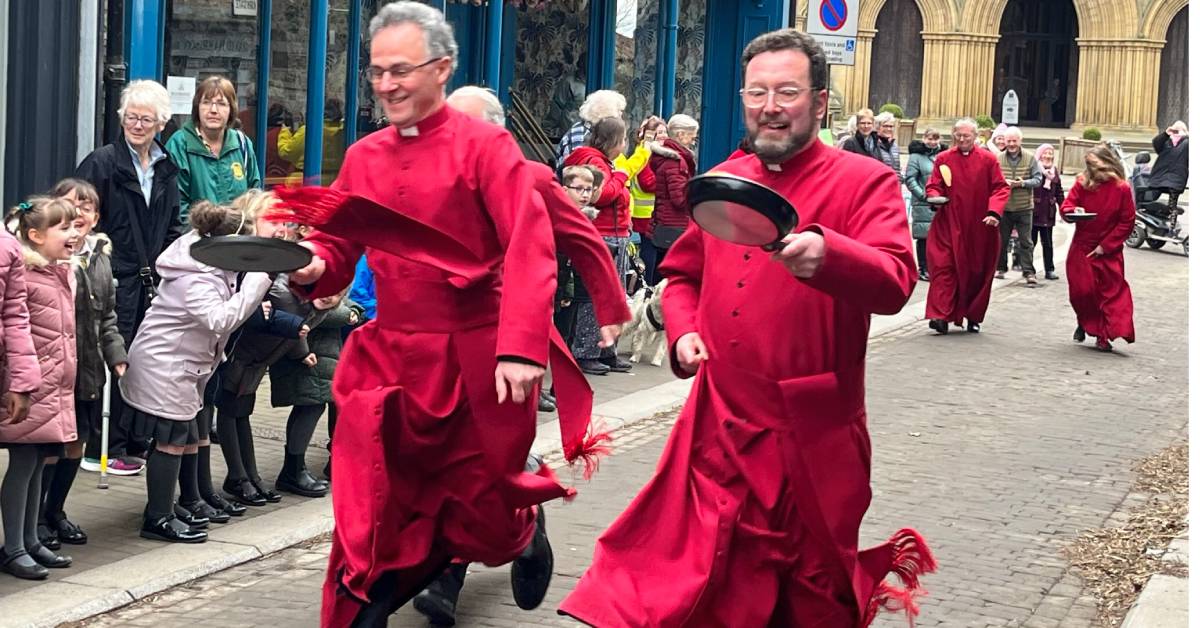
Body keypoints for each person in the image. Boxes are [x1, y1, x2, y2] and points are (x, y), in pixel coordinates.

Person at [559, 29, 934, 628]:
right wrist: (682, 332)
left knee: (809, 598)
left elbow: (895, 281)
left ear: (819, 101)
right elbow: (681, 278)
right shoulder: (725, 178)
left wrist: (830, 255)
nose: (771, 105)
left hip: (813, 433)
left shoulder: (865, 182)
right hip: (719, 427)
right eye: (757, 92)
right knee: (702, 587)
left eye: (787, 91)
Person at [276, 4, 590, 624]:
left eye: (401, 70)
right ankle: (368, 600)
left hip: (477, 362)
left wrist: (523, 347)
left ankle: (523, 532)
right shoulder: (364, 156)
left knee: (484, 508)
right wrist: (311, 265)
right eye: (375, 73)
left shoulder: (488, 146)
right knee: (378, 499)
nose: (386, 85)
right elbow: (340, 248)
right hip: (391, 360)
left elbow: (530, 243)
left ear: (441, 68)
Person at [409, 86, 630, 626]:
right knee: (432, 457)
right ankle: (443, 569)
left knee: (487, 459)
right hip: (432, 344)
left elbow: (581, 237)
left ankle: (525, 529)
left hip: (505, 344)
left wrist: (609, 305)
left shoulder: (530, 177)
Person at [118, 200, 278, 543]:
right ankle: (157, 518)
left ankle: (171, 507)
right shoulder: (195, 277)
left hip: (183, 364)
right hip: (165, 365)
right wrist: (256, 283)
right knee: (172, 438)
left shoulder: (207, 265)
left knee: (185, 435)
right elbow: (221, 319)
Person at [75, 80, 184, 477]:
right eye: (131, 117)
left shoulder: (166, 166)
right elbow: (79, 214)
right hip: (114, 277)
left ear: (161, 124)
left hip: (150, 281)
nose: (137, 125)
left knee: (142, 358)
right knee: (114, 358)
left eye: (146, 119)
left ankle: (134, 439)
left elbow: (172, 222)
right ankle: (103, 447)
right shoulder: (102, 163)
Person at [37, 180, 128, 550]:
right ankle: (35, 519)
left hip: (88, 366)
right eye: (72, 205)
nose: (80, 214)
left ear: (96, 216)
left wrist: (116, 354)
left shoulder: (100, 256)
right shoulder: (48, 254)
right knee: (48, 447)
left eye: (87, 207)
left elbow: (106, 315)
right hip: (55, 367)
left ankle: (55, 511)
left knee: (77, 443)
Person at [0, 197, 80, 580]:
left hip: (47, 388)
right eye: (63, 228)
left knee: (34, 462)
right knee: (22, 462)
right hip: (25, 385)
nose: (74, 234)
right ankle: (13, 547)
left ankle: (31, 540)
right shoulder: (28, 275)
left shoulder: (56, 272)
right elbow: (15, 329)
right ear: (35, 235)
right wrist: (23, 380)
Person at [268, 289, 359, 496]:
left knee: (311, 406)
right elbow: (312, 309)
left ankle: (295, 469)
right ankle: (293, 470)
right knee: (309, 407)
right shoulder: (300, 277)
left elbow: (342, 300)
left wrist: (352, 309)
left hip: (321, 354)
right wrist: (346, 314)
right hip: (306, 353)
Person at [924, 118, 1010, 334]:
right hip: (948, 222)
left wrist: (993, 212)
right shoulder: (943, 159)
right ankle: (940, 315)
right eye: (958, 136)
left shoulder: (989, 160)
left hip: (978, 225)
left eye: (966, 136)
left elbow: (1000, 188)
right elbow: (934, 184)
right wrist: (934, 196)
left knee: (975, 271)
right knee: (944, 267)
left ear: (975, 136)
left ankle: (972, 314)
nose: (962, 140)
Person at [564, 116, 634, 375]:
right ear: (613, 140)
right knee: (596, 295)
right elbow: (601, 196)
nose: (625, 145)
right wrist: (621, 176)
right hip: (604, 233)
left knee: (613, 294)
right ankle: (588, 350)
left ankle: (606, 349)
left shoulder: (603, 161)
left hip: (616, 232)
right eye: (624, 139)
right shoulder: (594, 161)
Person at [1062, 145, 1136, 352]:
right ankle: (1084, 321)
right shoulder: (1082, 183)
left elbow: (1127, 221)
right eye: (1090, 166)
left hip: (1108, 249)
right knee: (1082, 291)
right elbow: (1067, 206)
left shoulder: (1121, 188)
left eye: (1096, 165)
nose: (1093, 171)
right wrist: (1072, 211)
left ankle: (1103, 335)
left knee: (1109, 295)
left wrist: (1106, 246)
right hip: (1082, 246)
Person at [164, 76, 263, 221]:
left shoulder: (242, 144)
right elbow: (176, 206)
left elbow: (254, 197)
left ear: (231, 109)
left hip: (238, 239)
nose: (213, 110)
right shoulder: (180, 144)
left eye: (221, 104)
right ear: (197, 108)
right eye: (206, 103)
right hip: (196, 239)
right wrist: (207, 231)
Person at [648, 114, 699, 285]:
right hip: (674, 226)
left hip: (665, 224)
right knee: (669, 278)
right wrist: (699, 193)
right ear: (680, 135)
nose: (694, 140)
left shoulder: (670, 160)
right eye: (692, 135)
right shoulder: (676, 163)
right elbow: (679, 199)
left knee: (661, 274)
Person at [616, 116, 666, 284]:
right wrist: (668, 180)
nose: (663, 136)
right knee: (649, 253)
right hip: (645, 214)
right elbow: (647, 183)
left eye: (664, 132)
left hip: (659, 214)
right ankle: (646, 285)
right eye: (658, 133)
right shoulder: (644, 154)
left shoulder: (662, 154)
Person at [994, 127, 1042, 284]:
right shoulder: (998, 158)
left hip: (1024, 207)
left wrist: (1022, 183)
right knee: (1001, 240)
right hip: (1004, 207)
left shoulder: (1030, 158)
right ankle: (1000, 268)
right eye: (1009, 141)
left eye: (1015, 141)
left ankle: (1028, 271)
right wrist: (1004, 183)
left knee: (1026, 241)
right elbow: (992, 180)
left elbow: (1038, 179)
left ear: (1020, 141)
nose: (1012, 144)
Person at [554, 89, 627, 175]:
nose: (621, 116)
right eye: (619, 111)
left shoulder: (588, 130)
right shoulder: (581, 135)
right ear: (605, 112)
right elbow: (578, 175)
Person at [905, 129, 944, 281]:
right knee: (924, 237)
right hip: (923, 202)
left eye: (935, 139)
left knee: (938, 237)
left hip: (940, 202)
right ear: (923, 139)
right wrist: (923, 195)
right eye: (929, 138)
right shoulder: (916, 156)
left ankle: (934, 267)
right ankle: (923, 268)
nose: (933, 142)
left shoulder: (942, 155)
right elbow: (910, 179)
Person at [1032, 144, 1063, 280]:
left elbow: (1059, 192)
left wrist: (1064, 207)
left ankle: (1049, 270)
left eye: (1050, 153)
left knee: (1048, 243)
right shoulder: (1033, 170)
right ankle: (1029, 270)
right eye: (1045, 153)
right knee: (1030, 243)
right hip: (1034, 211)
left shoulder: (1055, 172)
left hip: (1048, 213)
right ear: (1040, 155)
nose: (1048, 156)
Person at [1147, 120, 1188, 195]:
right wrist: (1165, 134)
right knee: (1150, 193)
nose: (1176, 132)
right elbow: (1156, 144)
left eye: (1178, 130)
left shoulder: (1186, 143)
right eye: (1175, 130)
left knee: (1172, 200)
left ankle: (1171, 206)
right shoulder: (1166, 141)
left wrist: (1186, 136)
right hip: (1160, 175)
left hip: (1176, 177)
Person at [874, 111, 902, 181]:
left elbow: (897, 170)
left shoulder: (894, 146)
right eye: (885, 126)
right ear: (878, 127)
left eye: (891, 126)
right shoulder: (873, 145)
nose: (889, 129)